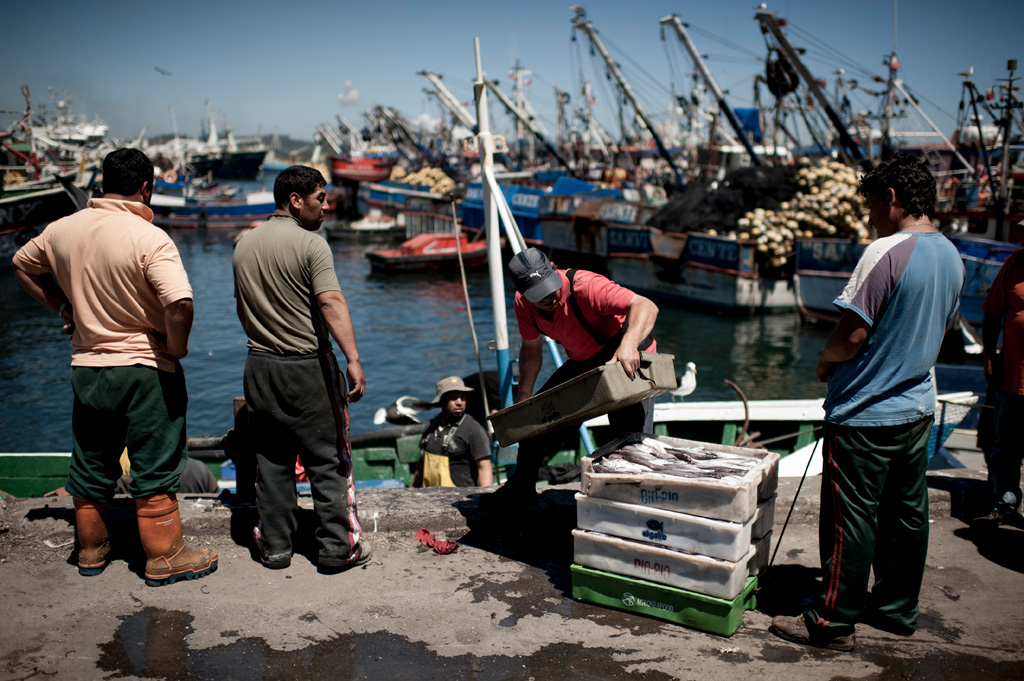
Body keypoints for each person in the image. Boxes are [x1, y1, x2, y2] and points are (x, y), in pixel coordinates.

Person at [769, 154, 965, 652]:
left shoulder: (885, 251)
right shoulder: (951, 255)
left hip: (865, 414)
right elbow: (942, 328)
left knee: (850, 518)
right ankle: (898, 610)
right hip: (918, 407)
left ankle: (832, 620)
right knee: (905, 514)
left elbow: (852, 332)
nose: (870, 216)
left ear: (891, 198)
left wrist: (824, 359)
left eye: (872, 204)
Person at [11, 148, 218, 586]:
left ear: (104, 183)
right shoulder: (149, 237)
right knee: (156, 464)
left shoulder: (62, 230)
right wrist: (175, 348)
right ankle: (166, 556)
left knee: (91, 459)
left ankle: (90, 549)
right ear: (147, 188)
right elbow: (179, 302)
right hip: (144, 368)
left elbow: (21, 264)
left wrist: (62, 306)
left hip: (87, 366)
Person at [232, 165, 370, 574]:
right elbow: (331, 302)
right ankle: (337, 549)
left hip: (259, 366)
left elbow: (243, 310)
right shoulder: (313, 245)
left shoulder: (243, 245)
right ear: (296, 200)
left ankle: (275, 548)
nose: (326, 206)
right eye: (320, 198)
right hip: (307, 367)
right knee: (328, 460)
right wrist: (353, 359)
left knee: (272, 462)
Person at [481, 247, 659, 507]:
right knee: (538, 424)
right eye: (537, 294)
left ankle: (630, 505)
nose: (548, 297)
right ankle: (520, 489)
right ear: (519, 290)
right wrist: (523, 396)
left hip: (624, 355)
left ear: (553, 267)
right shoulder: (524, 305)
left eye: (549, 286)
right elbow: (531, 349)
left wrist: (629, 345)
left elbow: (645, 305)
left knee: (627, 440)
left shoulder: (587, 286)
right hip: (583, 361)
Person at [974, 238, 1024, 528]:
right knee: (1005, 445)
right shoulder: (1014, 264)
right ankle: (1004, 505)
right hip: (1012, 376)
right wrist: (989, 358)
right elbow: (992, 315)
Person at [412, 376, 493, 488]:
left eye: (462, 398)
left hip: (460, 498)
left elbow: (484, 467)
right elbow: (421, 465)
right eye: (454, 398)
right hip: (429, 498)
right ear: (442, 402)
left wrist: (485, 497)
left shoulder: (473, 429)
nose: (459, 403)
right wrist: (412, 490)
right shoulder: (430, 427)